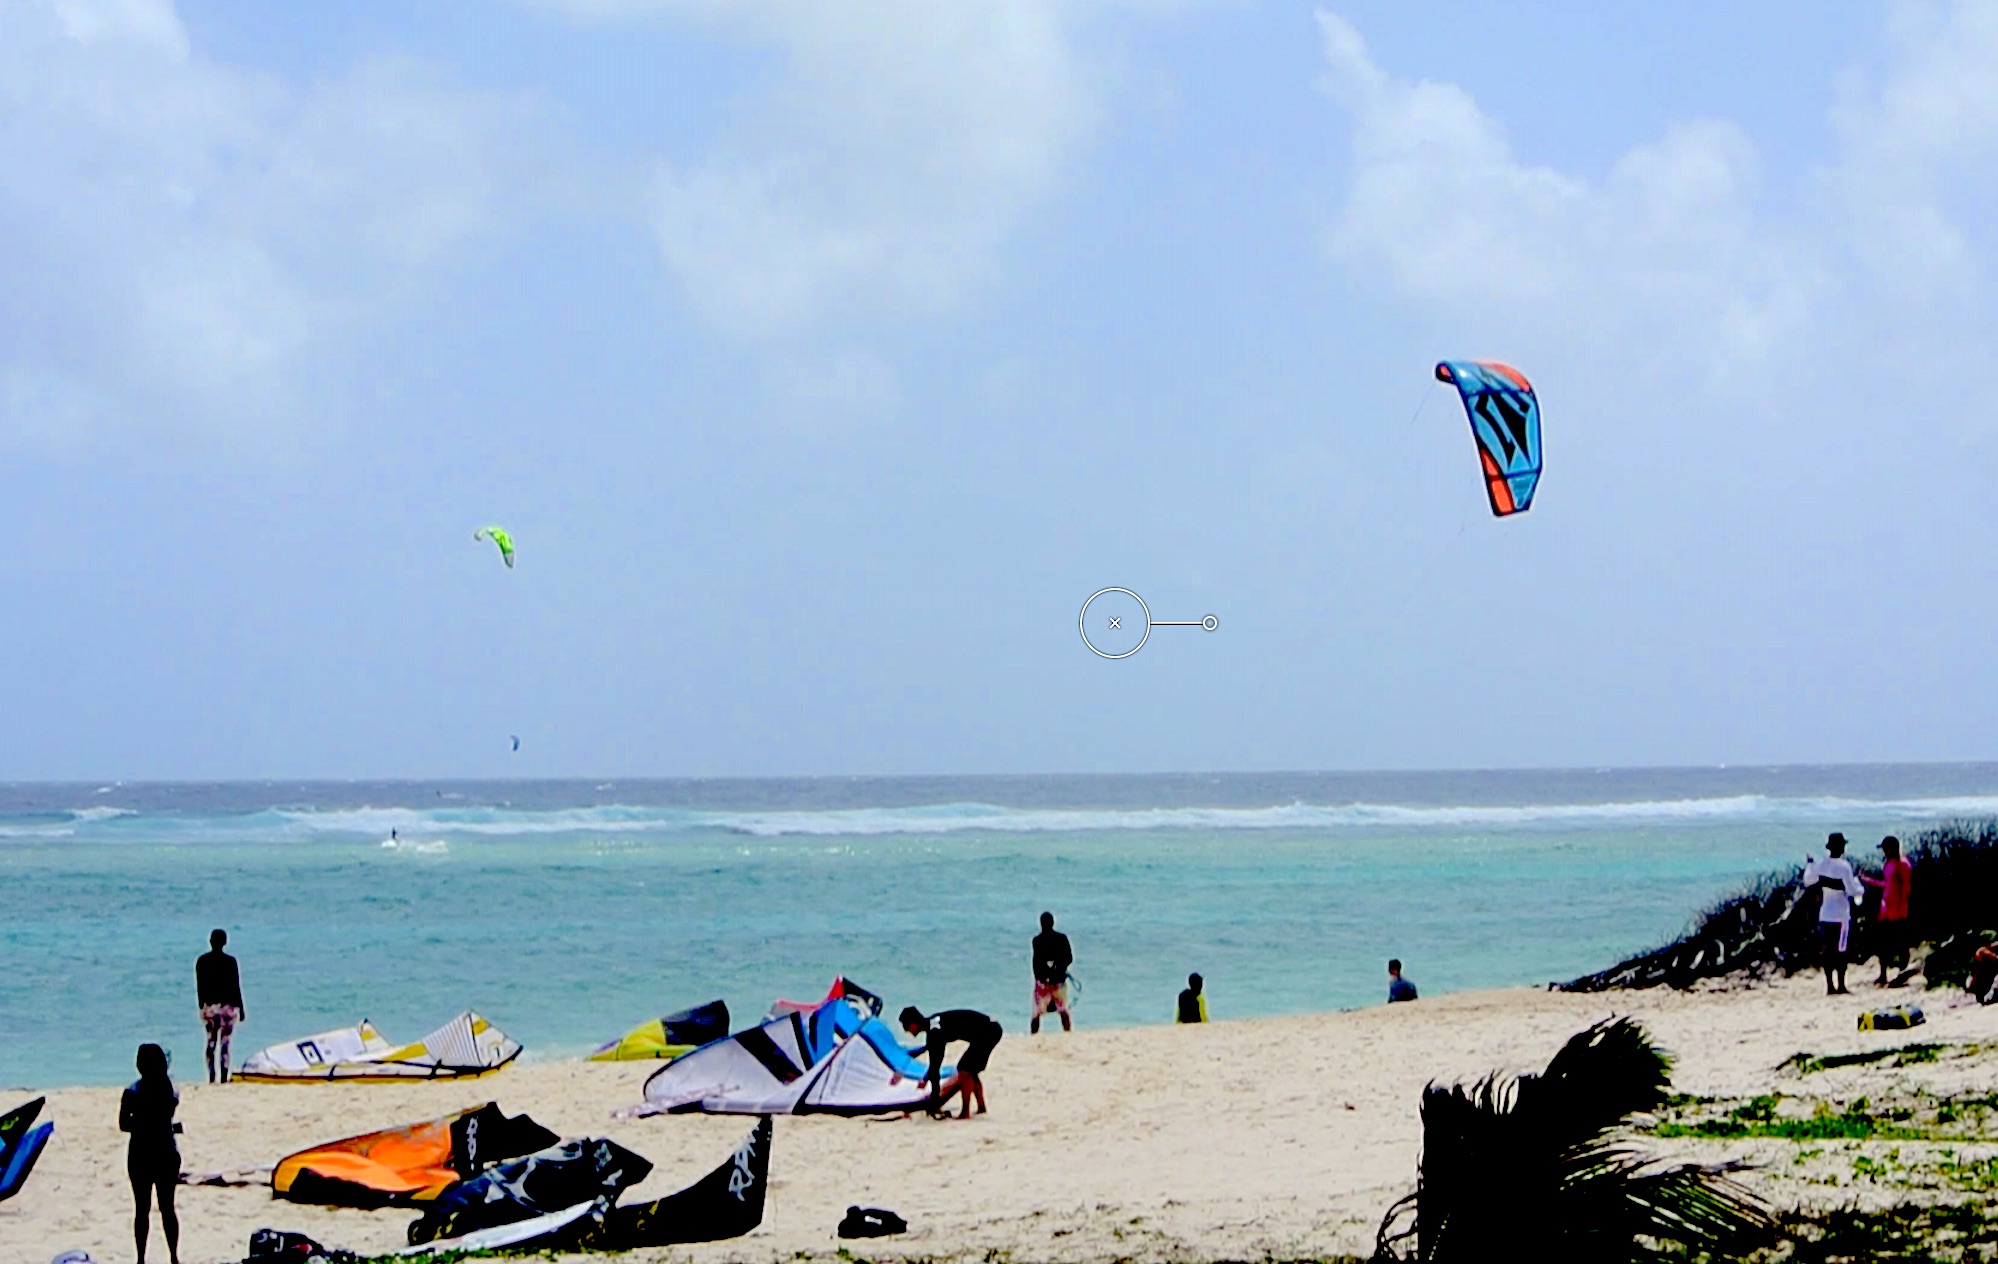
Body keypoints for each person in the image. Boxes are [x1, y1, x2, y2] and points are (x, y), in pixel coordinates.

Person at [120, 1043, 182, 1264]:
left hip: (140, 1152)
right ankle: (173, 1257)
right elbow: (168, 1116)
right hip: (166, 1151)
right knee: (168, 1208)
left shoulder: (132, 1092)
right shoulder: (169, 1090)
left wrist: (140, 1122)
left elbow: (123, 1124)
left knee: (141, 1210)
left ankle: (140, 1259)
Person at [900, 1006, 1002, 1120]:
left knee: (965, 1069)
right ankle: (981, 1107)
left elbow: (935, 1069)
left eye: (906, 1026)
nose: (906, 1031)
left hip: (988, 1032)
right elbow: (935, 1065)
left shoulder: (934, 1033)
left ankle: (965, 1112)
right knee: (970, 1069)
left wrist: (934, 1102)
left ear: (914, 1023)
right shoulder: (933, 1024)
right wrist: (927, 1078)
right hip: (991, 1028)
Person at [1804, 833, 1864, 995]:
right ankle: (1841, 985)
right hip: (1841, 915)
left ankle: (1830, 985)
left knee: (1828, 951)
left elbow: (1808, 880)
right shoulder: (1844, 866)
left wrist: (1809, 864)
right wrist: (1861, 887)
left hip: (1825, 914)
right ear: (1841, 847)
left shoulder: (1822, 865)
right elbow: (1851, 890)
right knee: (1842, 951)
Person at [1860, 835, 1915, 987]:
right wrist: (1869, 881)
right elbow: (1888, 885)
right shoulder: (1889, 863)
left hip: (1898, 911)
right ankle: (1883, 974)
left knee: (1901, 944)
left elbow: (1906, 889)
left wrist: (1903, 908)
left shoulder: (1903, 864)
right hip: (1886, 909)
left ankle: (1902, 973)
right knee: (1883, 944)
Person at [195, 929, 244, 1083]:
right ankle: (223, 1075)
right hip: (227, 1007)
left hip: (210, 1007)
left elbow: (200, 988)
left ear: (210, 941)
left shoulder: (202, 961)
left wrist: (201, 1006)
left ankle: (211, 1076)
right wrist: (241, 1008)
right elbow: (236, 986)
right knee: (225, 1043)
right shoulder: (231, 962)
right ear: (225, 942)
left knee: (210, 1042)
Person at [1030, 911, 1073, 1034]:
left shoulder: (1037, 940)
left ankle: (1033, 1036)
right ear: (1053, 923)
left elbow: (1036, 962)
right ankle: (1067, 1034)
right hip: (1058, 980)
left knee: (1037, 1013)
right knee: (1063, 1011)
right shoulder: (1061, 938)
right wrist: (1058, 970)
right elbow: (1068, 958)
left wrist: (1042, 976)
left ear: (1041, 924)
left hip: (1043, 982)